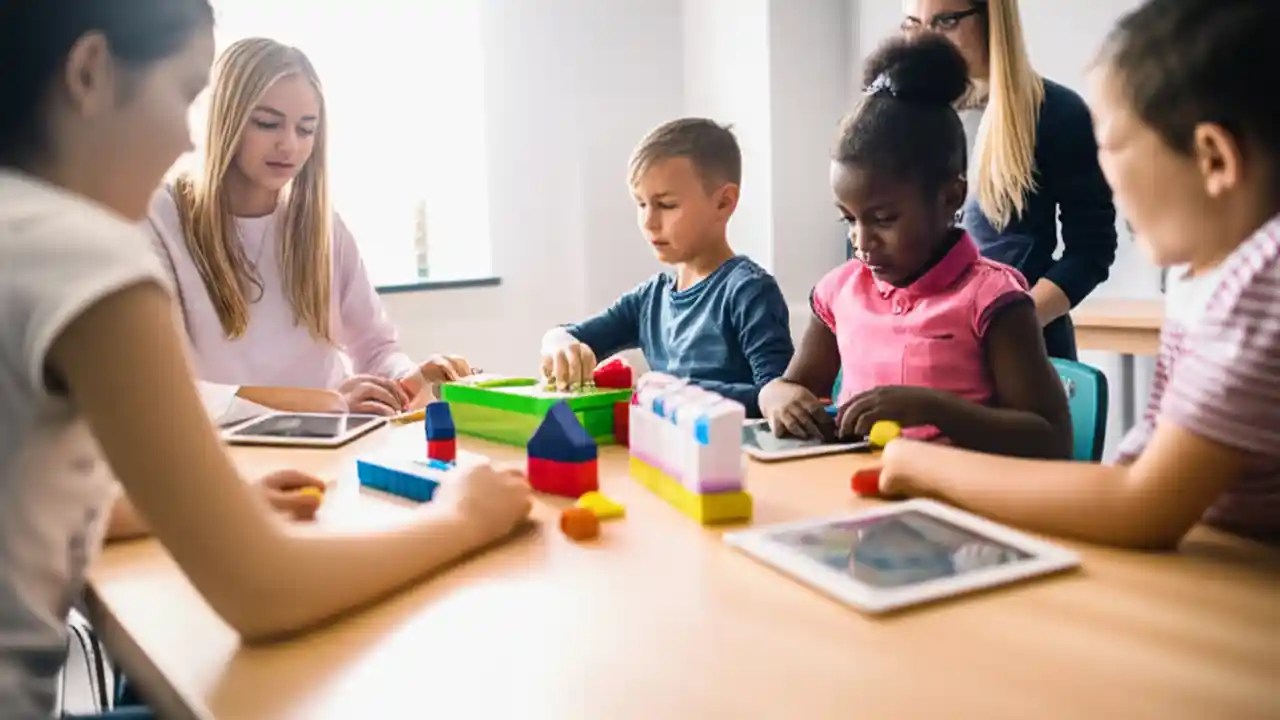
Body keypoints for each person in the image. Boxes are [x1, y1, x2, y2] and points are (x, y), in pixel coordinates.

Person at [0, 3, 530, 716]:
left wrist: (221, 506)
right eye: (185, 94)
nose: (186, 136)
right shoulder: (84, 257)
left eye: (305, 127)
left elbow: (35, 504)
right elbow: (264, 593)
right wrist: (466, 518)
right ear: (90, 72)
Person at [874, 0, 1280, 549]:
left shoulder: (1261, 281)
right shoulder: (1204, 275)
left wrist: (920, 465)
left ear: (1213, 159)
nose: (1106, 175)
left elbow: (1143, 505)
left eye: (1110, 145)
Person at [758, 34, 1070, 459]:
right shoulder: (839, 292)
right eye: (849, 219)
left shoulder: (993, 300)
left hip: (958, 495)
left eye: (884, 219)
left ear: (951, 197)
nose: (861, 241)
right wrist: (775, 396)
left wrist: (933, 409)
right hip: (857, 490)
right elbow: (793, 387)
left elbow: (1051, 438)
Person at [148, 37, 472, 417]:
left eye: (306, 129)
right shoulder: (160, 218)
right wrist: (324, 403)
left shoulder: (322, 227)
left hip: (333, 439)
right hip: (229, 446)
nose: (289, 145)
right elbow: (163, 386)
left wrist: (410, 377)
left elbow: (376, 349)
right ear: (224, 121)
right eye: (268, 124)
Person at [901, 0, 1119, 359]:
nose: (925, 41)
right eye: (913, 25)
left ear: (991, 18)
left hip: (1022, 357)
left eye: (946, 22)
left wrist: (1015, 325)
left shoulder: (1055, 114)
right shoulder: (900, 117)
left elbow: (1090, 250)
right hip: (920, 351)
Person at [539, 118, 794, 417]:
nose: (649, 222)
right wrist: (558, 343)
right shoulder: (649, 299)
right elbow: (568, 335)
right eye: (641, 204)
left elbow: (777, 397)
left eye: (666, 205)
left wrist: (664, 391)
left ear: (723, 203)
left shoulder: (749, 291)